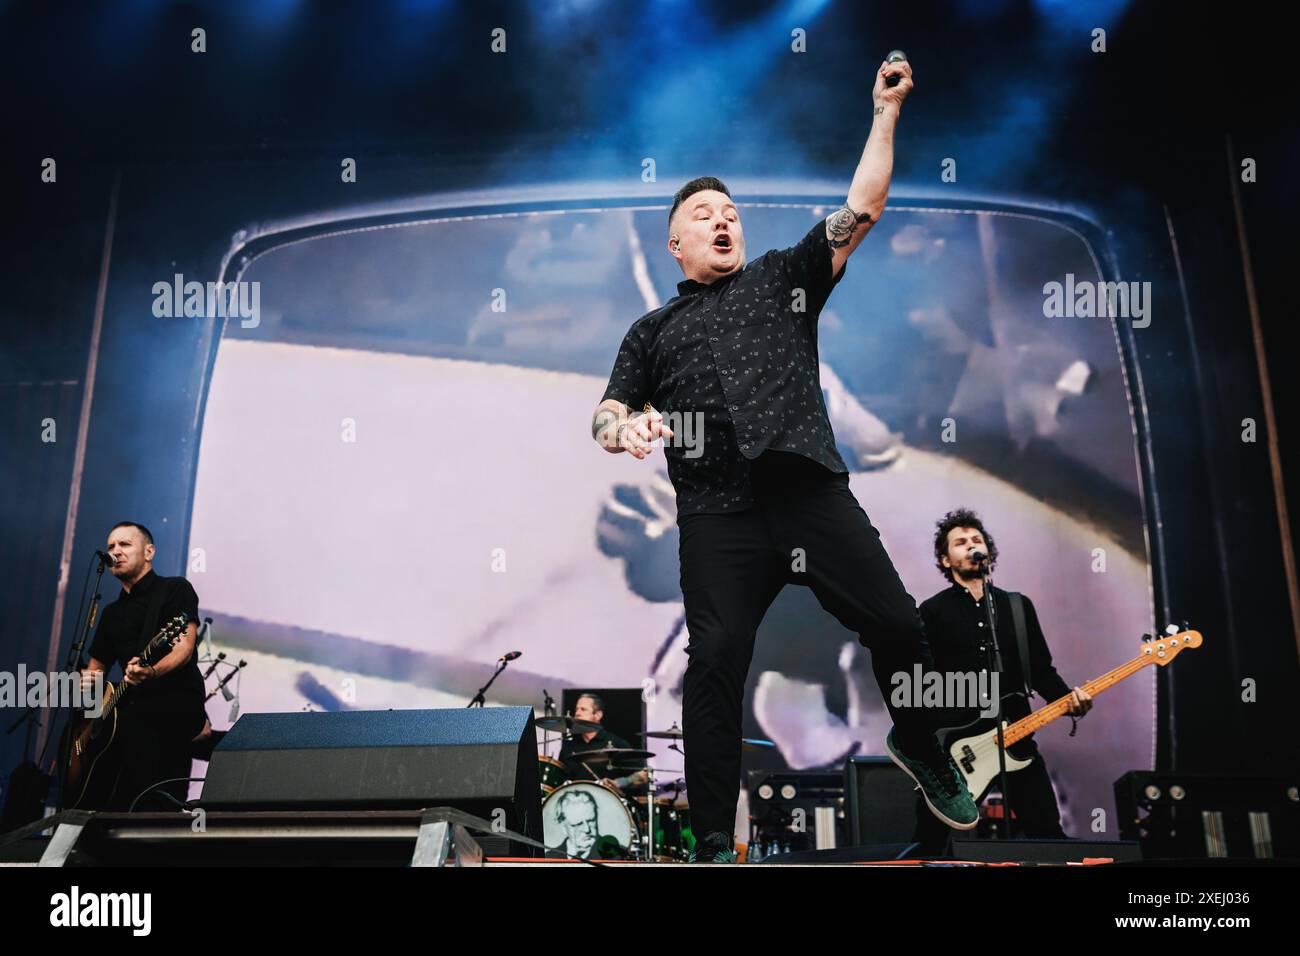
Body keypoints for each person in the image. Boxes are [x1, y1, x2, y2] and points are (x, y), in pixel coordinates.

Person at [590, 56, 978, 863]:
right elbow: (608, 411)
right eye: (704, 214)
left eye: (730, 211)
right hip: (718, 517)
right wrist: (620, 429)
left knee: (898, 622)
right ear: (675, 243)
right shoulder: (651, 333)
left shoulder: (781, 280)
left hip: (807, 492)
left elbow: (861, 209)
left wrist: (884, 113)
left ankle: (919, 743)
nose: (723, 219)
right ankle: (706, 841)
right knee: (715, 666)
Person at [915, 508, 1093, 851]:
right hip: (958, 742)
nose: (971, 546)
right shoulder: (931, 611)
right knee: (931, 839)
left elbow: (1041, 670)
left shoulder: (1017, 606)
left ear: (988, 551)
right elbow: (925, 682)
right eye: (960, 542)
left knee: (1047, 834)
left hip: (1017, 734)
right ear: (945, 558)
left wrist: (1069, 701)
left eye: (976, 540)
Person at [77, 521, 207, 811]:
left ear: (149, 552)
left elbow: (184, 647)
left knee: (156, 801)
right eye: (111, 546)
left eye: (124, 544)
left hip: (170, 707)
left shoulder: (174, 589)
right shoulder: (111, 613)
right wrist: (86, 686)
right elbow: (96, 669)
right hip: (127, 715)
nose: (115, 552)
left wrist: (152, 671)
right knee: (112, 801)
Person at [559, 692, 648, 794]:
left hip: (608, 803)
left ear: (597, 715)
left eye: (583, 709)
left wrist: (618, 783)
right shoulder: (568, 746)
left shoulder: (616, 744)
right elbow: (559, 778)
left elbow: (643, 775)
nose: (577, 713)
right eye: (576, 709)